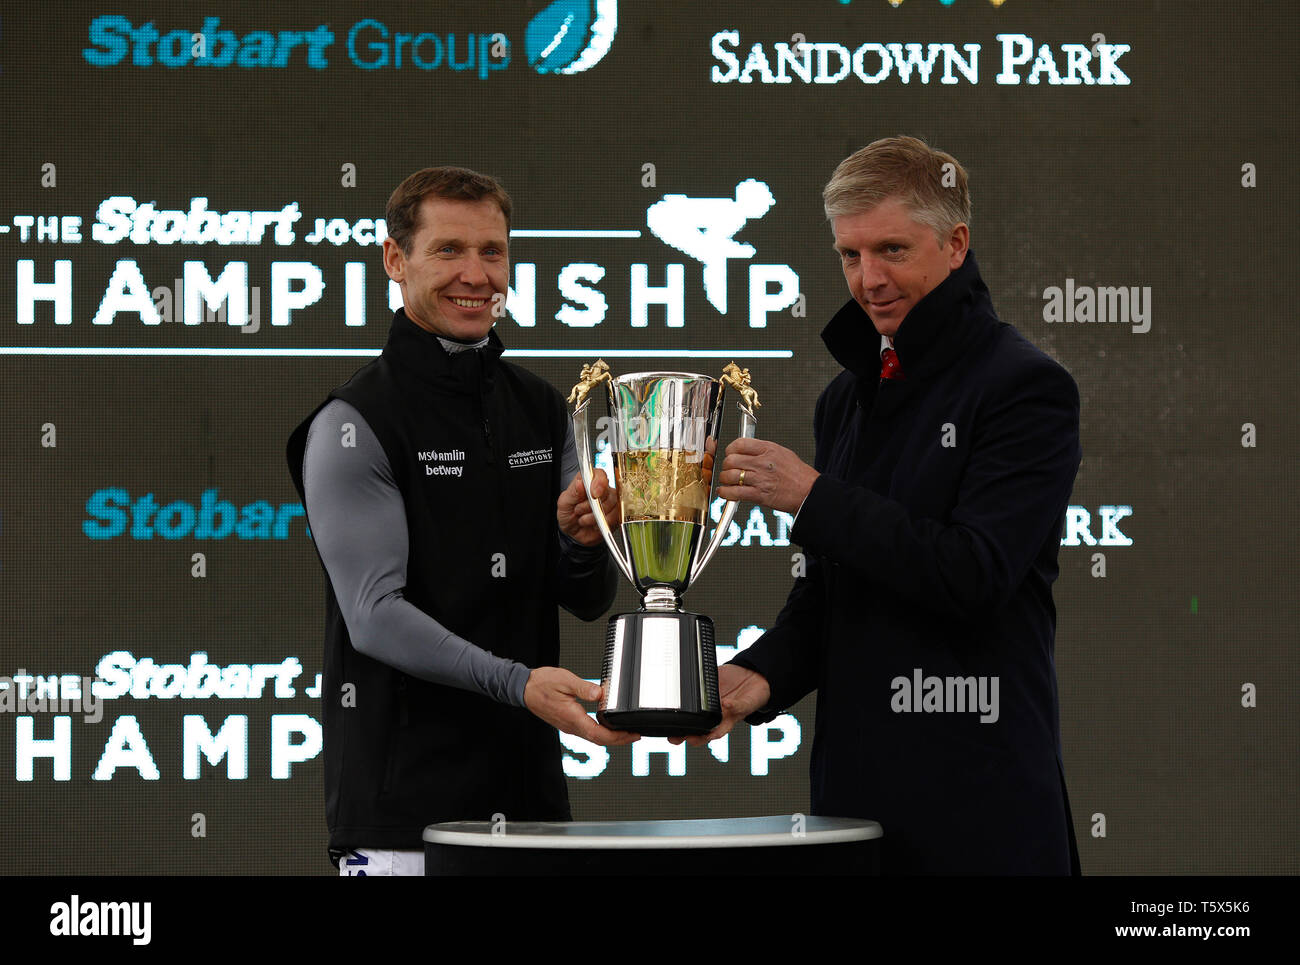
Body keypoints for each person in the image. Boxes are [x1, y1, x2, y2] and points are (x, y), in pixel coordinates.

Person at [683, 136, 1082, 875]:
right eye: (849, 255)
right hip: (853, 809)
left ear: (955, 243)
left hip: (981, 809)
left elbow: (973, 574)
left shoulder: (1027, 387)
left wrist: (810, 495)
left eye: (892, 249)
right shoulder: (846, 397)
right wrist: (758, 678)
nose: (869, 279)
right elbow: (828, 597)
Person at [286, 166, 635, 876]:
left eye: (492, 251)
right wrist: (518, 683)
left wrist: (580, 542)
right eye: (448, 250)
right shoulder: (354, 421)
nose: (475, 274)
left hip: (531, 806)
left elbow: (587, 597)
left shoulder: (541, 406)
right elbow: (375, 615)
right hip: (403, 823)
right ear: (395, 259)